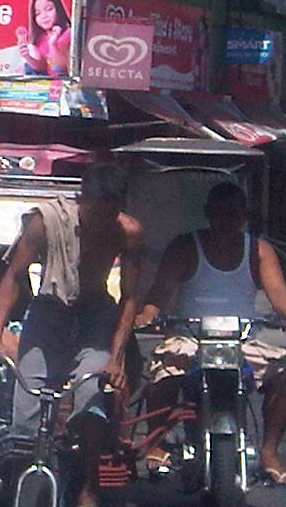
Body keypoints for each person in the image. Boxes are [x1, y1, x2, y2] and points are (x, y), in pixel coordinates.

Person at [0, 161, 145, 507]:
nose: (102, 218)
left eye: (111, 210)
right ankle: (19, 495)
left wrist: (116, 358)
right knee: (25, 413)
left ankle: (89, 491)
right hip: (48, 315)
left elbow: (130, 298)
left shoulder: (128, 233)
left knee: (91, 401)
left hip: (95, 317)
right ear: (81, 200)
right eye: (96, 209)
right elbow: (12, 274)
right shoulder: (46, 222)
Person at [115, 182, 286, 483]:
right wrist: (146, 317)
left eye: (233, 214)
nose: (226, 221)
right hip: (190, 337)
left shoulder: (259, 250)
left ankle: (269, 450)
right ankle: (156, 443)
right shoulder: (185, 246)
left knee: (283, 373)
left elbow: (278, 296)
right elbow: (160, 294)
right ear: (208, 214)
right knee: (164, 371)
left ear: (244, 216)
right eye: (219, 214)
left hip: (242, 339)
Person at [16, 0, 73, 77]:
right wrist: (27, 56)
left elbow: (62, 68)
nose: (44, 16)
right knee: (24, 68)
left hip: (63, 82)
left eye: (49, 9)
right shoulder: (41, 39)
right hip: (46, 82)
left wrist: (53, 44)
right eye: (38, 13)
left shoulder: (68, 34)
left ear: (58, 9)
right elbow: (41, 67)